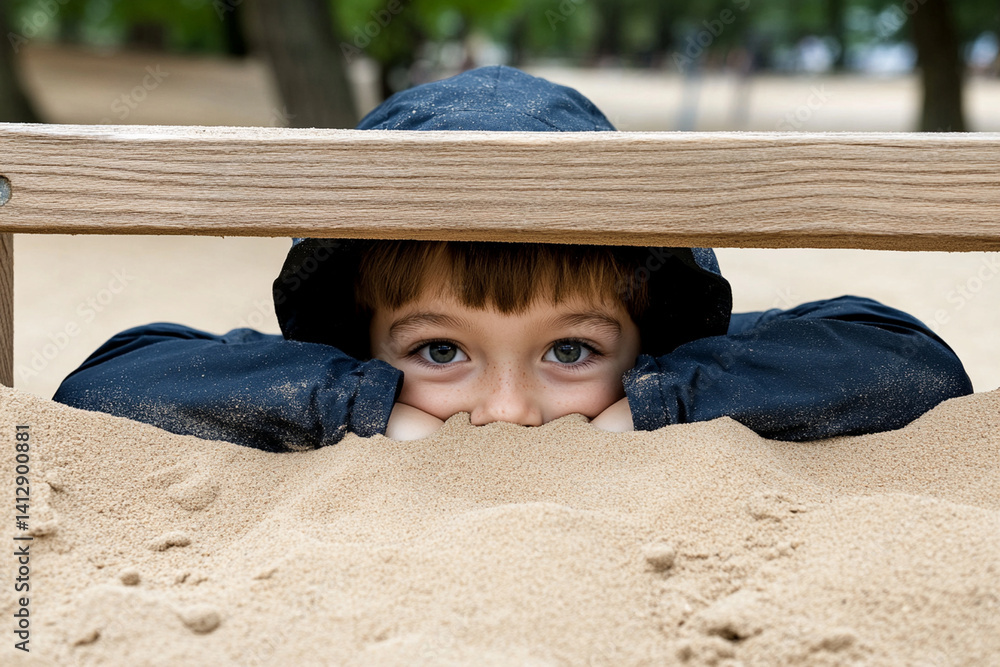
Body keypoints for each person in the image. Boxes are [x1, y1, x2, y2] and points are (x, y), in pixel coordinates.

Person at [52, 66, 973, 450]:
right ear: (363, 336)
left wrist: (649, 409)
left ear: (641, 333)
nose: (507, 414)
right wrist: (367, 406)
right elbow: (104, 386)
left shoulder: (670, 376)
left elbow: (912, 363)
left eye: (569, 350)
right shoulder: (338, 379)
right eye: (438, 351)